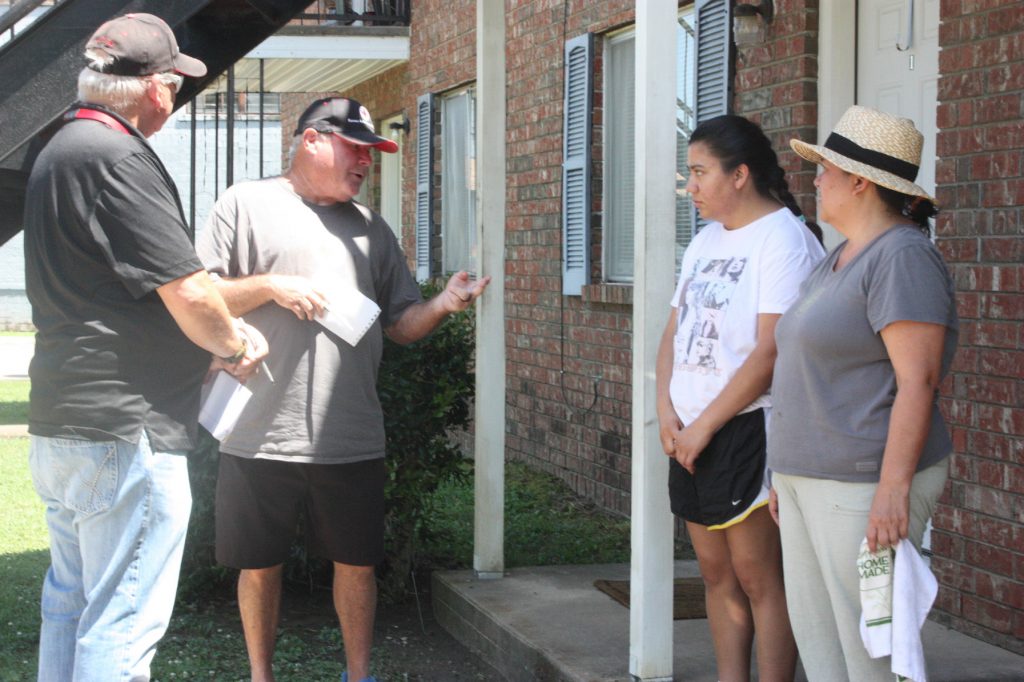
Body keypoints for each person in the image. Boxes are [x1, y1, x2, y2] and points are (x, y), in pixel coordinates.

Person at [197, 96, 491, 682]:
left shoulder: (370, 229)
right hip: (258, 431)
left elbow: (400, 324)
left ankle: (359, 676)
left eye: (372, 153)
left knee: (357, 564)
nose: (367, 163)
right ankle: (261, 676)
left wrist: (442, 304)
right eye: (356, 149)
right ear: (311, 141)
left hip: (350, 435)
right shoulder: (245, 204)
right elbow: (200, 294)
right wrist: (272, 286)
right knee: (258, 567)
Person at [22, 13, 268, 681]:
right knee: (121, 623)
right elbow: (188, 292)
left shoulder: (59, 149)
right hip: (126, 432)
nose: (176, 96)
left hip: (63, 423)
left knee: (71, 605)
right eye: (174, 82)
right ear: (157, 88)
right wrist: (233, 341)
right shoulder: (119, 158)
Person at [767, 105, 958, 681]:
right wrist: (782, 472)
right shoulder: (839, 257)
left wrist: (893, 490)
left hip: (864, 482)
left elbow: (917, 381)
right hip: (808, 480)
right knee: (821, 639)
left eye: (825, 169)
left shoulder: (903, 256)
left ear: (860, 181)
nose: (815, 179)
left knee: (870, 650)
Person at [656, 115, 825, 682]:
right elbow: (672, 333)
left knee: (758, 576)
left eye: (700, 172)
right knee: (714, 573)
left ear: (740, 174)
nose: (691, 185)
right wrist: (667, 411)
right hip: (689, 433)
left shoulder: (784, 240)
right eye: (689, 173)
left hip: (747, 429)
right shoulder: (705, 241)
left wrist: (704, 427)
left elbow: (770, 352)